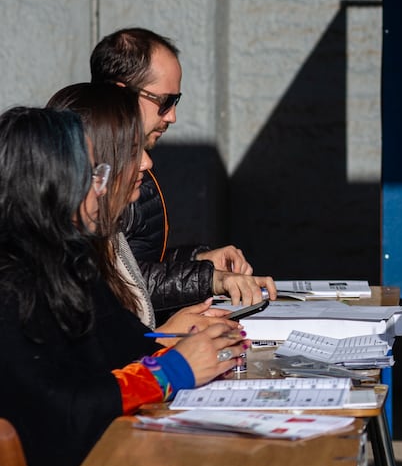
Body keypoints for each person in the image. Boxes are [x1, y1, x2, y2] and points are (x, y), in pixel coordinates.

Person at [0, 107, 247, 466]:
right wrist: (172, 369)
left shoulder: (60, 257)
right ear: (50, 183)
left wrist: (178, 342)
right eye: (93, 175)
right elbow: (58, 408)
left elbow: (122, 344)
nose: (102, 189)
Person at [47, 82, 276, 328]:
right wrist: (165, 344)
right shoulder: (54, 264)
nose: (146, 163)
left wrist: (200, 261)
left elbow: (137, 275)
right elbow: (100, 360)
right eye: (165, 100)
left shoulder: (102, 237)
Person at [88, 27, 273, 320]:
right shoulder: (92, 165)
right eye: (165, 102)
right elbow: (113, 281)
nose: (172, 115)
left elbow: (134, 262)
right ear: (122, 93)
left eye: (176, 101)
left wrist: (198, 260)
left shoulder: (127, 162)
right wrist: (209, 278)